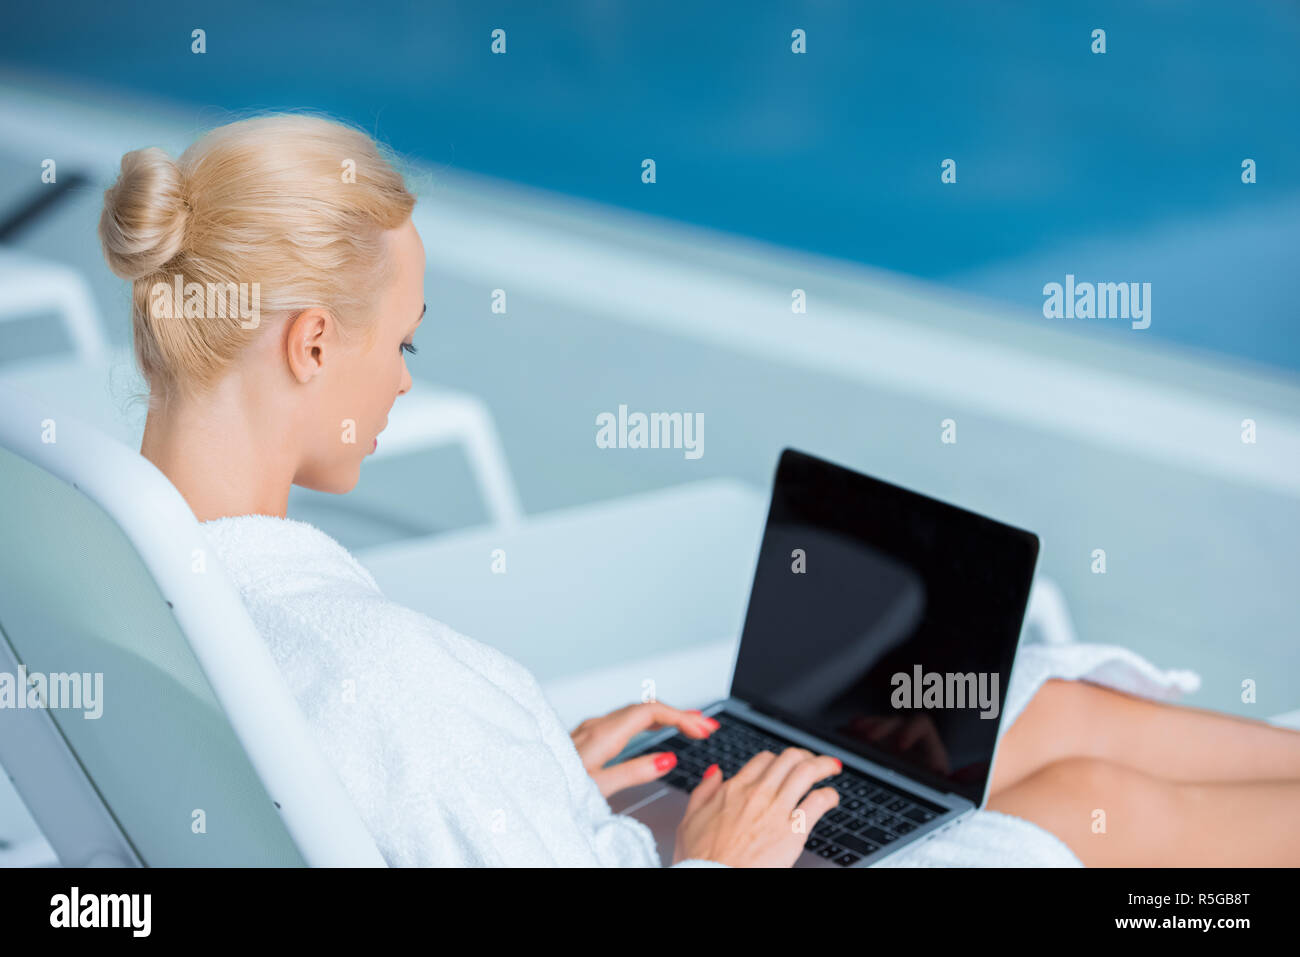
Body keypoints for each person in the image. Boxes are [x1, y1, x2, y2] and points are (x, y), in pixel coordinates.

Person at [98, 112, 1300, 867]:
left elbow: (394, 798)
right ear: (312, 345)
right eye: (403, 341)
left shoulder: (124, 574)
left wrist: (537, 781)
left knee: (1023, 714)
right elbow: (394, 757)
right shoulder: (370, 673)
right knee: (1090, 795)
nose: (407, 381)